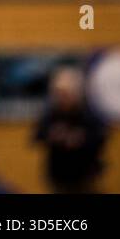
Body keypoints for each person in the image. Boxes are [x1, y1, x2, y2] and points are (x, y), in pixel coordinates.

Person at [33, 65, 108, 193]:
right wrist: (53, 135)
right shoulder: (51, 114)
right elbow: (37, 136)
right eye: (58, 94)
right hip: (58, 174)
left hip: (84, 174)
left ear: (75, 94)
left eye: (65, 94)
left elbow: (101, 137)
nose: (61, 98)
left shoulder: (88, 113)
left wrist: (81, 139)